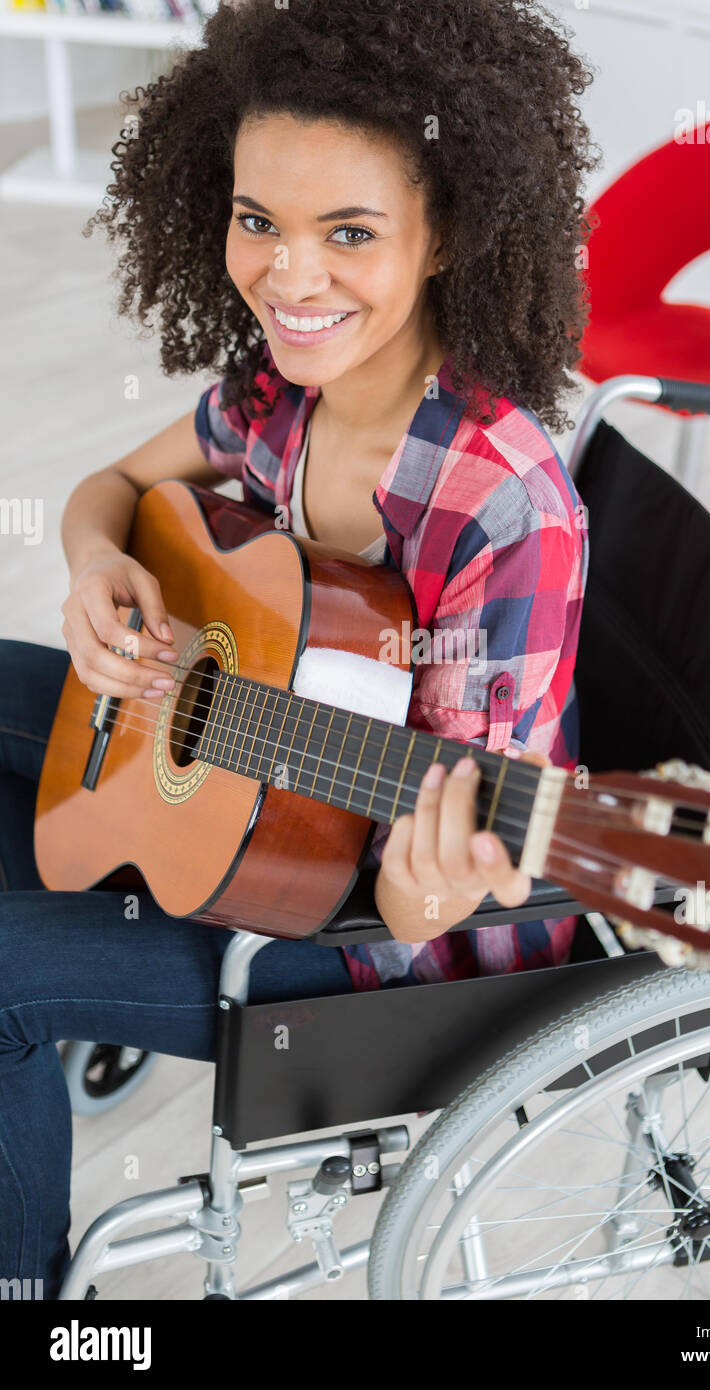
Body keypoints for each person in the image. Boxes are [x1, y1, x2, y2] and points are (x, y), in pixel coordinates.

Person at [0, 0, 595, 1297]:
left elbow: (430, 887)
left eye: (350, 233)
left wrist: (436, 879)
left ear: (448, 233)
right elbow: (111, 486)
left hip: (378, 943)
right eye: (258, 217)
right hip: (262, 795)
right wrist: (102, 569)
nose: (289, 273)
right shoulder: (281, 388)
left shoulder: (503, 506)